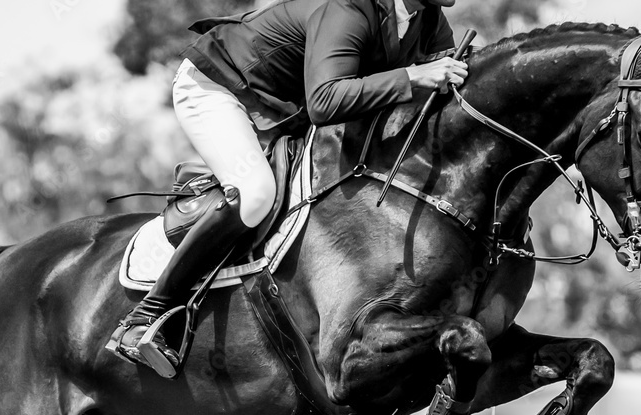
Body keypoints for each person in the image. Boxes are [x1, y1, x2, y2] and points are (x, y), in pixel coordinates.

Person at [108, 0, 469, 377]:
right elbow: (325, 100)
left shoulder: (426, 19)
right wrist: (411, 77)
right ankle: (146, 317)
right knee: (255, 192)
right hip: (221, 87)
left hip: (283, 107)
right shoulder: (349, 7)